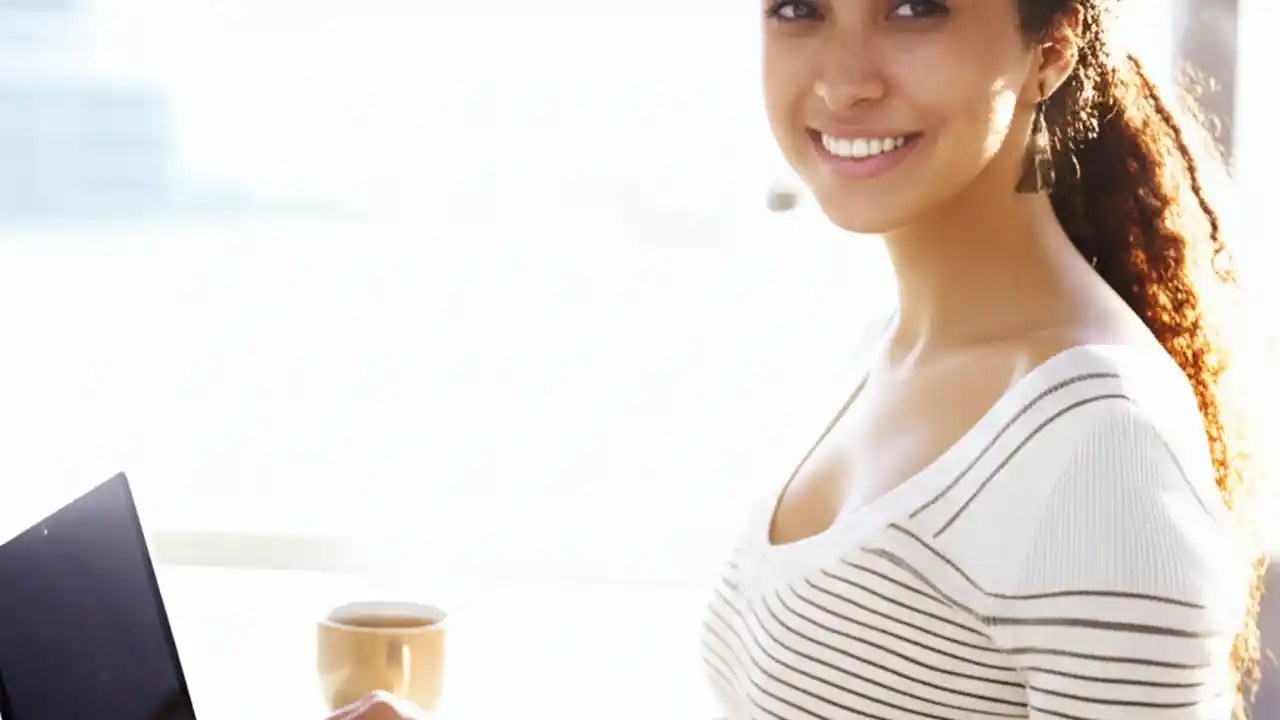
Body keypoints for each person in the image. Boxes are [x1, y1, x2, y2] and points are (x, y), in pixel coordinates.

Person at [331, 0, 1264, 718]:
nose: (843, 81)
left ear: (1051, 48)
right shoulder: (883, 354)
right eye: (798, 9)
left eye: (914, 8)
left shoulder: (1102, 449)